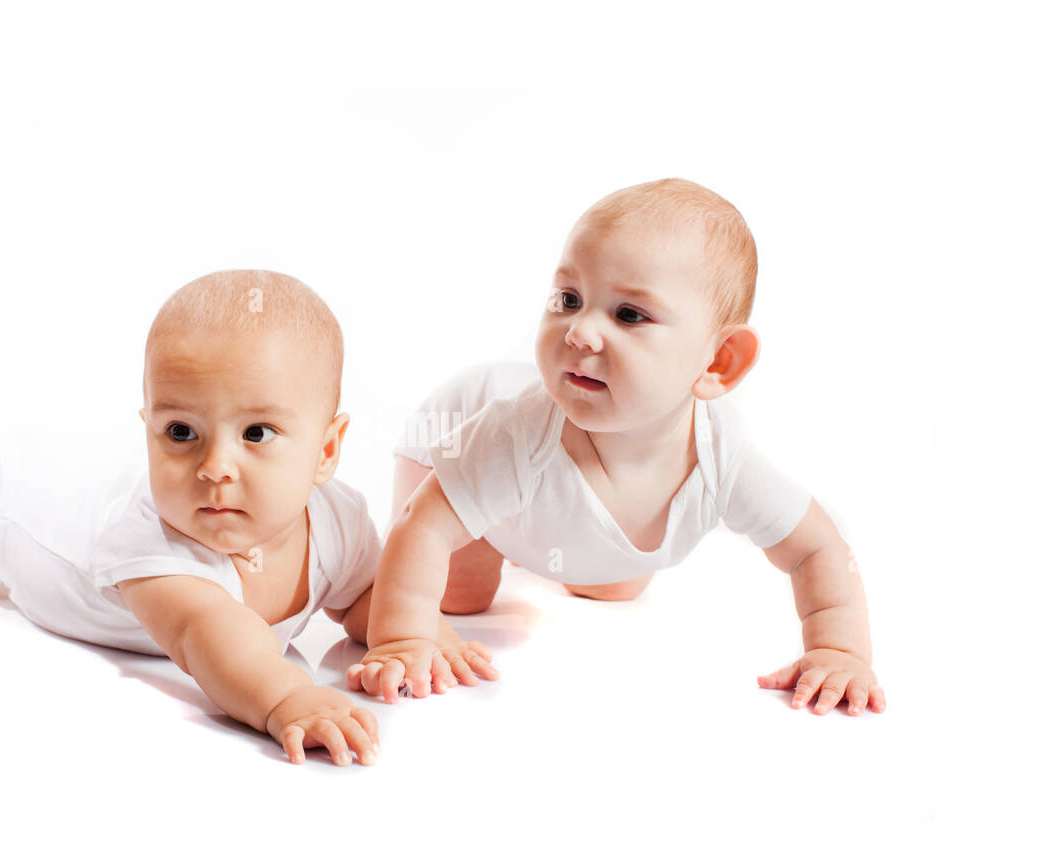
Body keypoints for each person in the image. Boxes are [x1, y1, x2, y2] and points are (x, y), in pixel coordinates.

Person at [347, 179, 886, 718]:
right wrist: (403, 637)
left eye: (629, 314)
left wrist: (838, 649)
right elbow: (423, 523)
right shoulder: (515, 431)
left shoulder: (722, 457)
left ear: (719, 362)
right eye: (569, 299)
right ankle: (496, 531)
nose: (579, 333)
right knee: (458, 595)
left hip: (560, 511)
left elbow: (818, 548)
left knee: (614, 584)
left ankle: (532, 531)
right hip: (452, 437)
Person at [0, 270, 488, 766]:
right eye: (180, 432)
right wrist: (287, 698)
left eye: (257, 433)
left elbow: (367, 598)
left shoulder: (338, 520)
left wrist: (411, 637)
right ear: (150, 430)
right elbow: (210, 637)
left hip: (90, 492)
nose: (214, 468)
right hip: (27, 523)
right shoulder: (154, 543)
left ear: (327, 451)